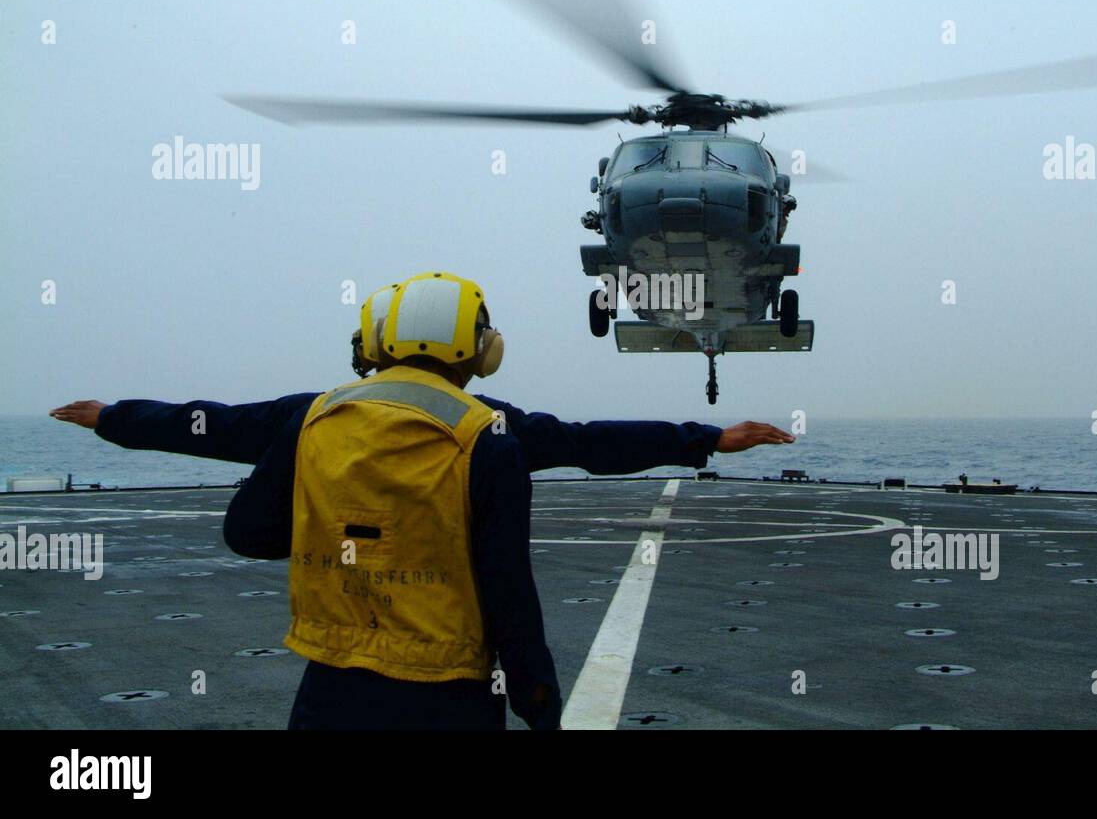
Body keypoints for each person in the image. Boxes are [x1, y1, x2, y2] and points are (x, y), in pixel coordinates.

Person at [51, 271, 793, 730]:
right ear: (480, 351)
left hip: (330, 689)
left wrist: (113, 416)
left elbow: (201, 421)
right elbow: (578, 459)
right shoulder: (488, 433)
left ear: (376, 339)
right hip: (447, 698)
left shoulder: (310, 415)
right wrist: (703, 438)